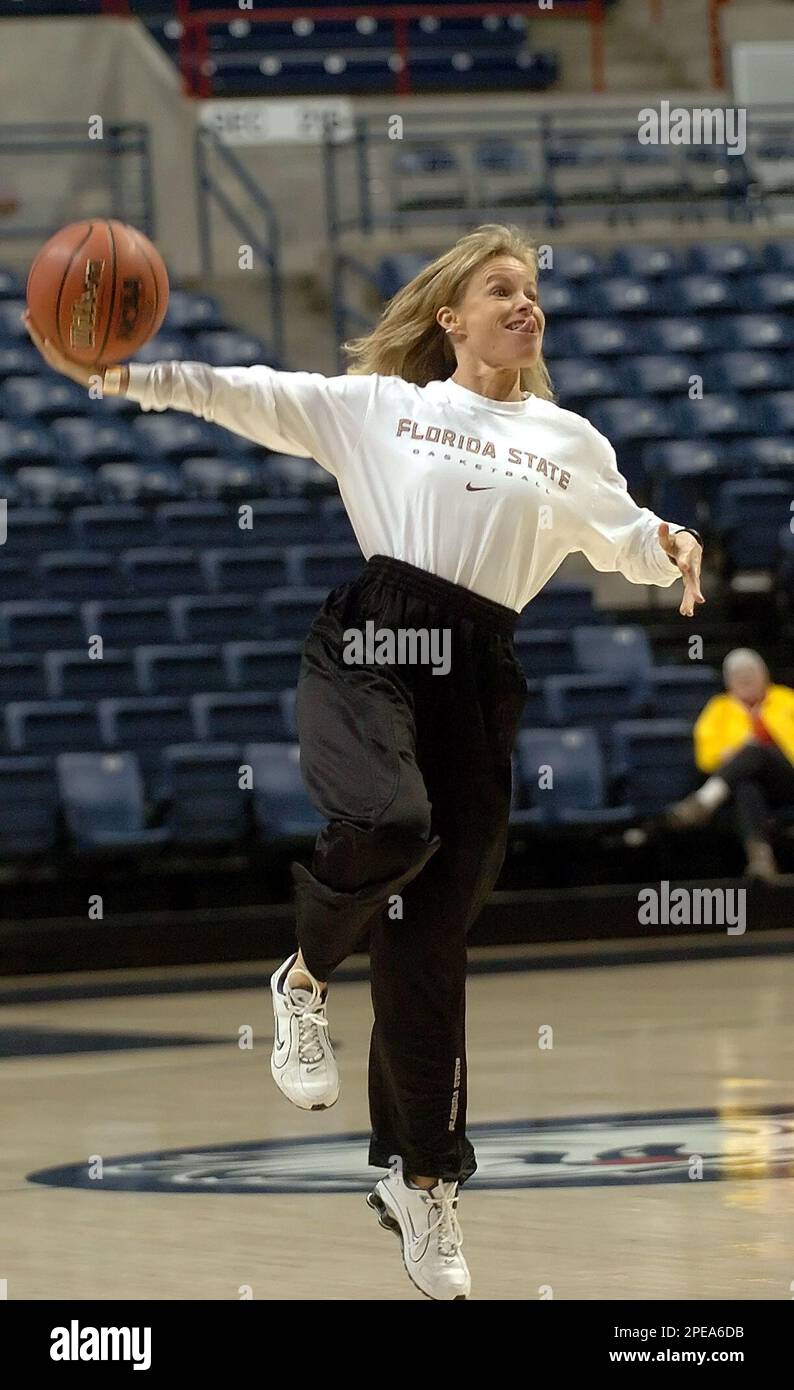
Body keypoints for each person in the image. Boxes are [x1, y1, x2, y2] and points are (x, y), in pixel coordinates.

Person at [24, 222, 704, 1301]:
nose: (524, 305)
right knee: (386, 822)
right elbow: (236, 390)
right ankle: (301, 978)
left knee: (429, 950)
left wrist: (664, 542)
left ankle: (419, 1180)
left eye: (531, 292)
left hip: (478, 673)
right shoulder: (386, 407)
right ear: (450, 318)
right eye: (500, 290)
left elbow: (614, 531)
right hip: (373, 642)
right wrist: (117, 376)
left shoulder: (567, 437)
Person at [668, 648, 794, 880]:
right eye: (737, 674)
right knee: (746, 785)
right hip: (747, 780)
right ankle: (760, 859)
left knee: (754, 751)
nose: (744, 678)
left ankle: (705, 800)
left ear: (764, 675)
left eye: (750, 672)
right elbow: (705, 757)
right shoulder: (718, 709)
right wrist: (725, 754)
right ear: (728, 681)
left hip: (787, 775)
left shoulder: (787, 700)